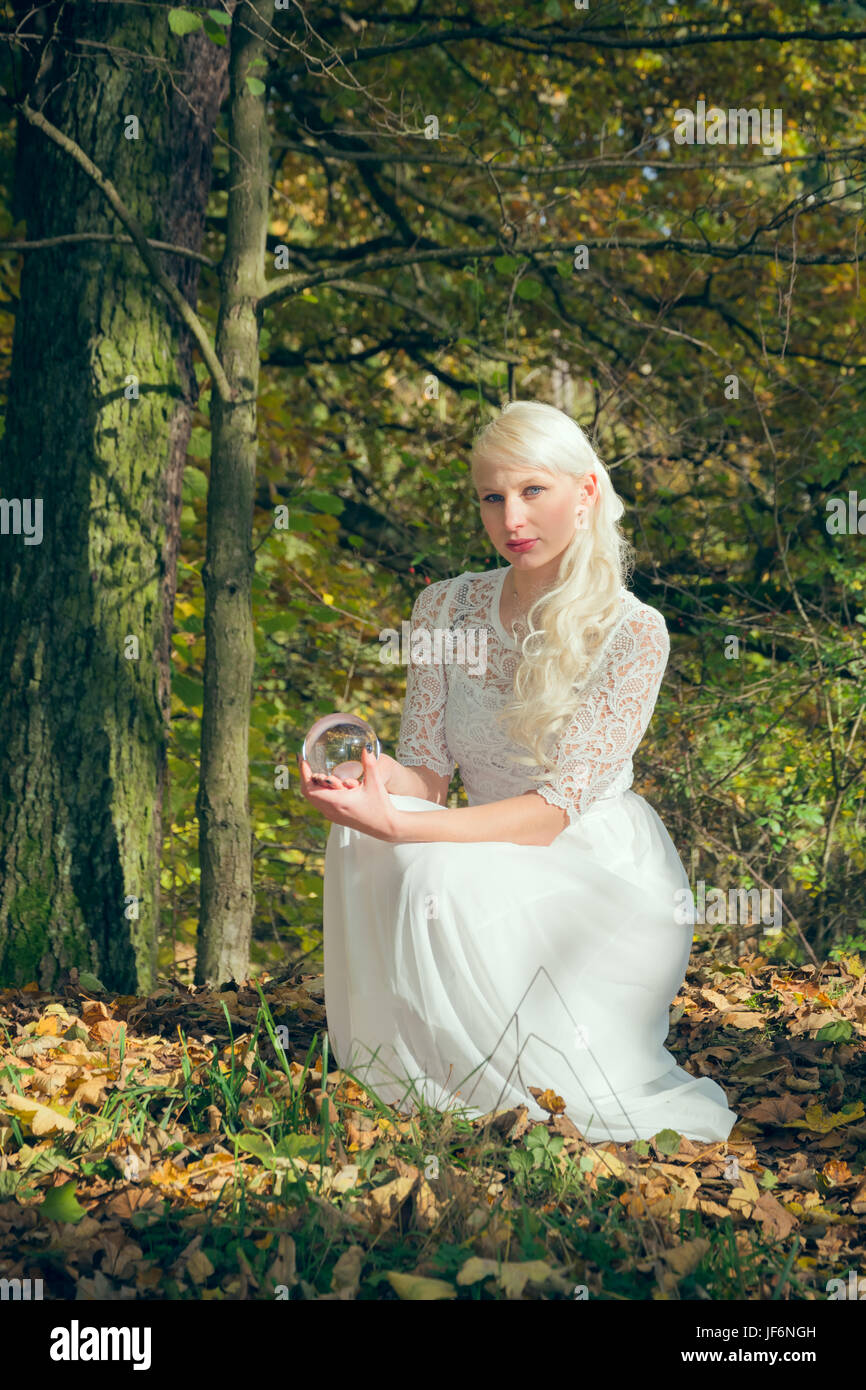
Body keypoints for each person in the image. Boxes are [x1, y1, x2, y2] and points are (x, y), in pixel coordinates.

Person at [298, 400, 737, 1144]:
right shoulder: (444, 609)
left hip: (595, 871)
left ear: (586, 492)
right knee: (366, 839)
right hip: (487, 836)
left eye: (533, 490)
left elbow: (552, 814)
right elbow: (430, 777)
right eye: (492, 497)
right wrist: (374, 781)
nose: (512, 517)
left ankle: (492, 1077)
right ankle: (405, 1069)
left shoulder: (634, 632)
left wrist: (405, 826)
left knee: (425, 863)